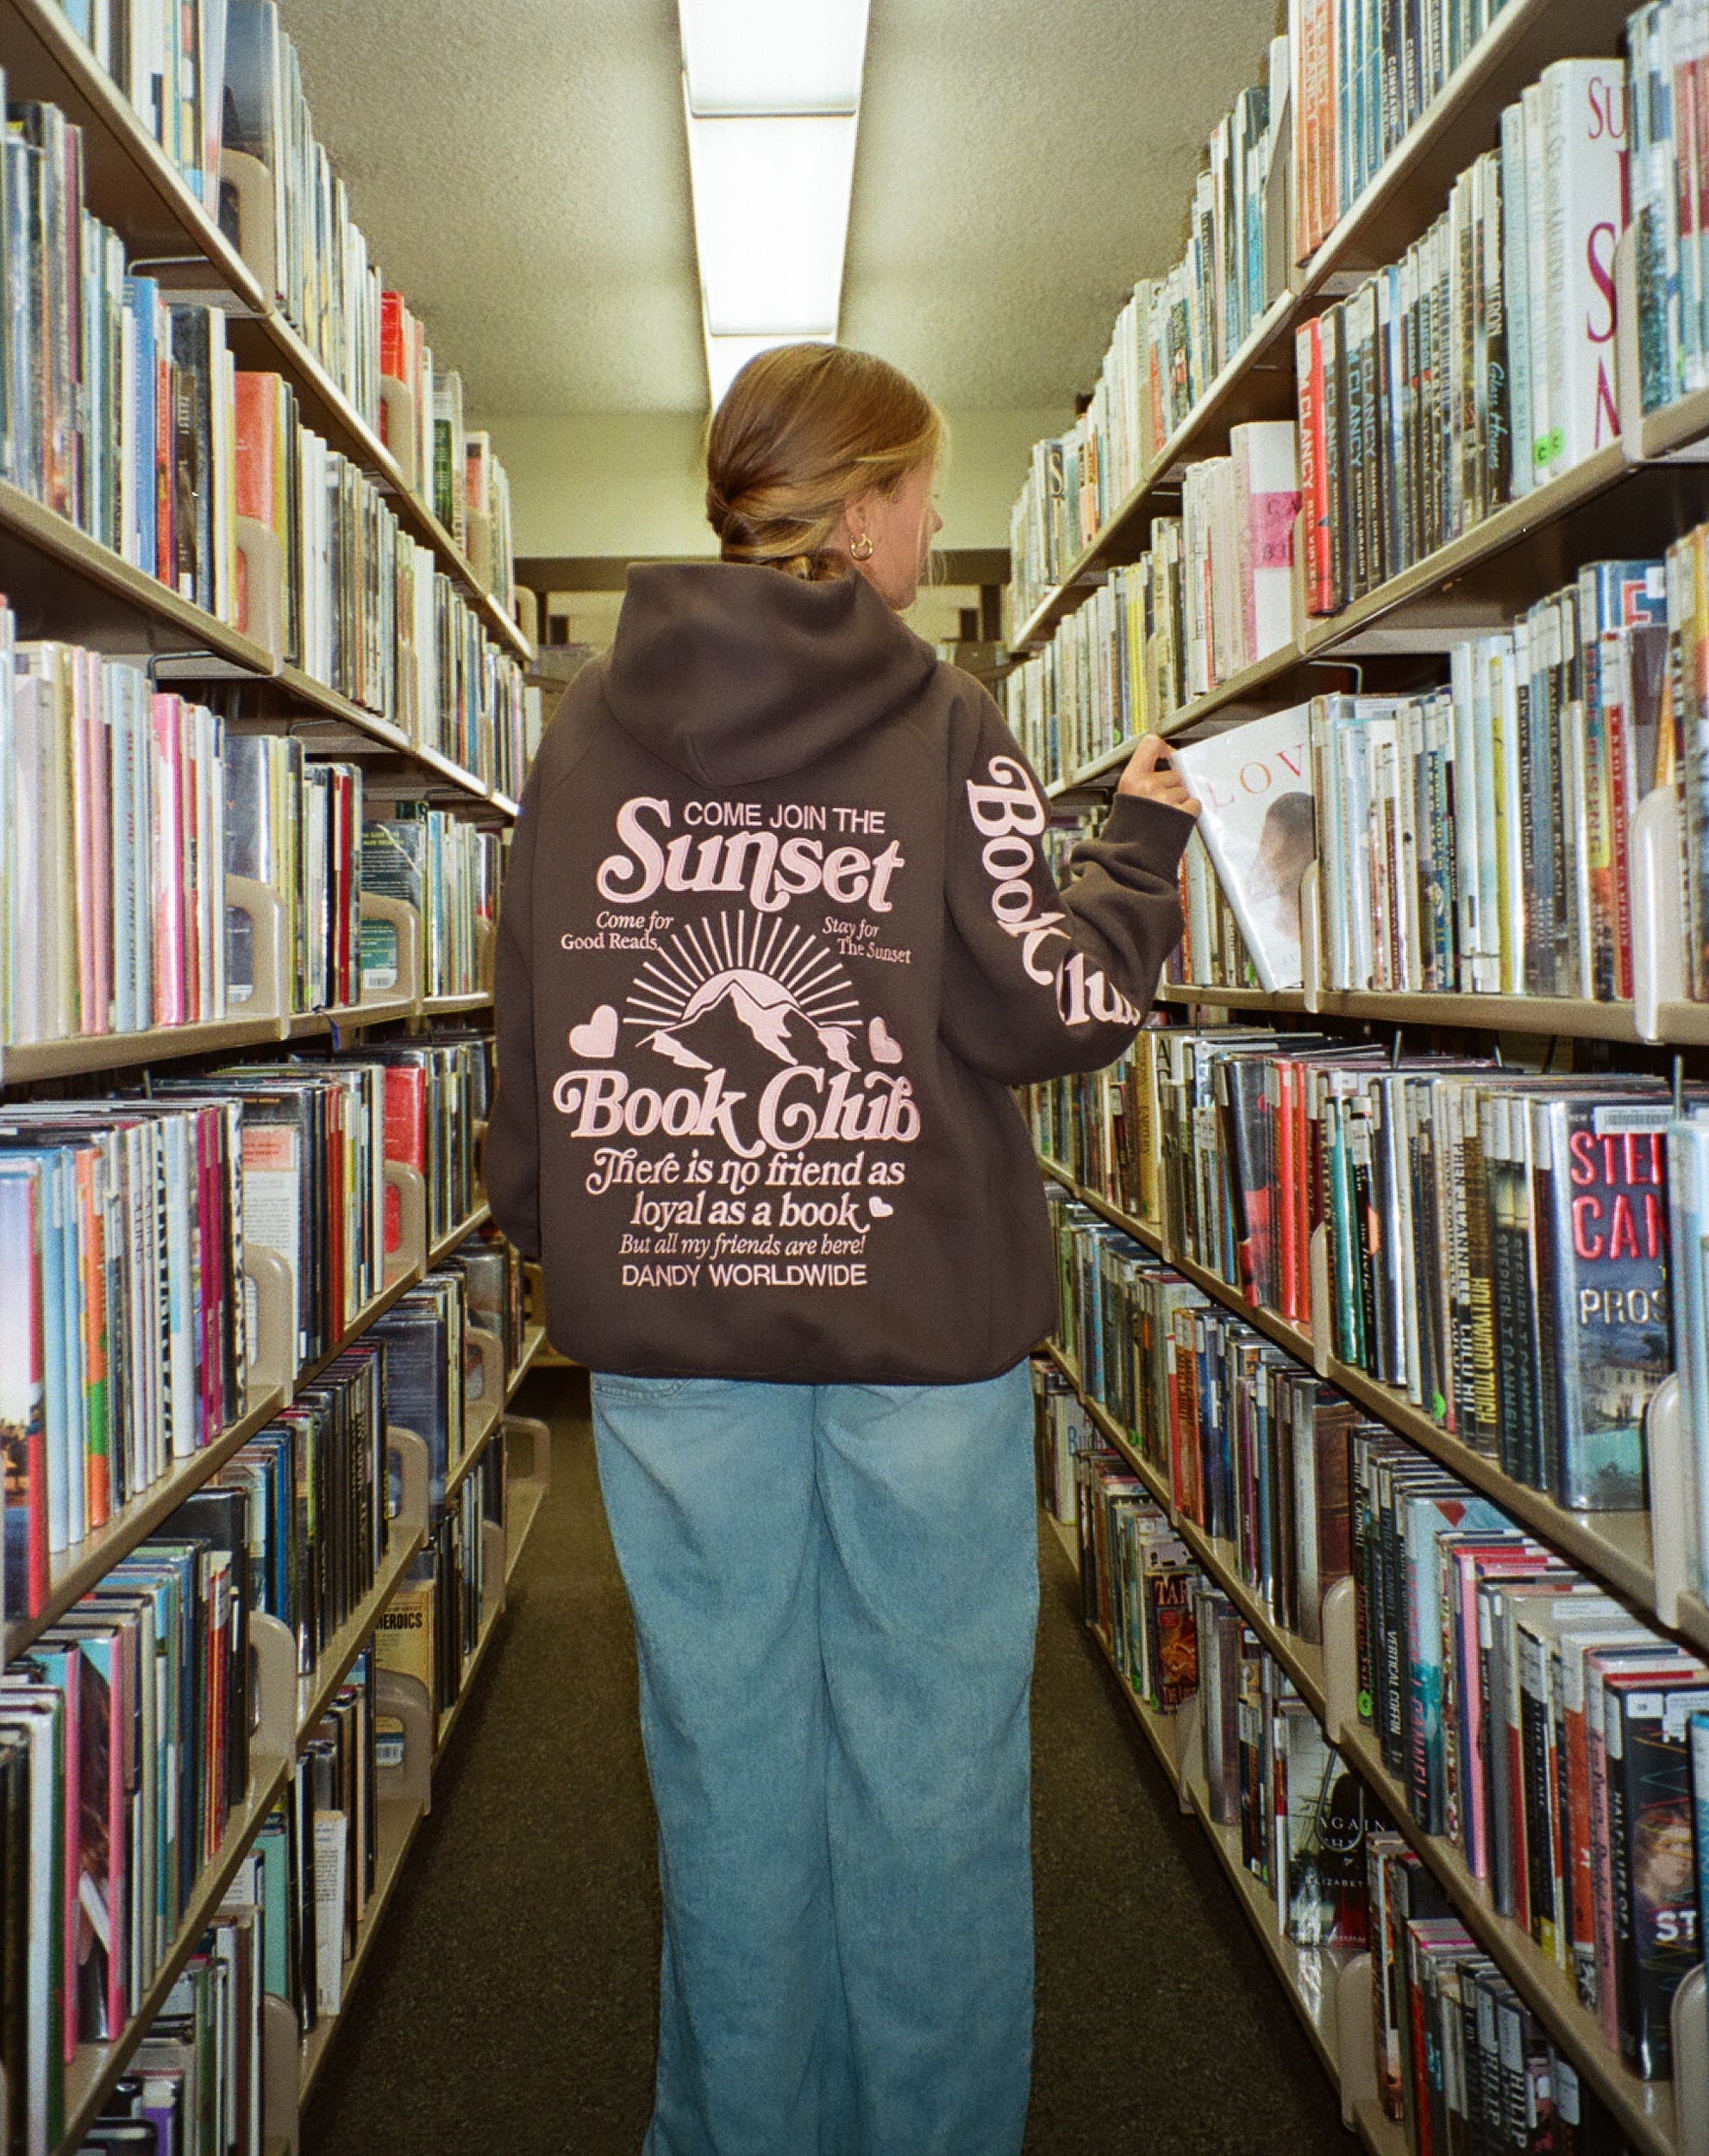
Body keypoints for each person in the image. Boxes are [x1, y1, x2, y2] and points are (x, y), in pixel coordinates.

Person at [485, 342, 1197, 2156]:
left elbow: (533, 1021)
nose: (937, 520)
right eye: (926, 489)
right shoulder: (942, 717)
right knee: (930, 1766)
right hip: (916, 1327)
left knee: (722, 1762)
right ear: (863, 504)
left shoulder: (578, 733)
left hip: (666, 1327)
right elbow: (1053, 1002)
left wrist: (561, 1228)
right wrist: (1138, 847)